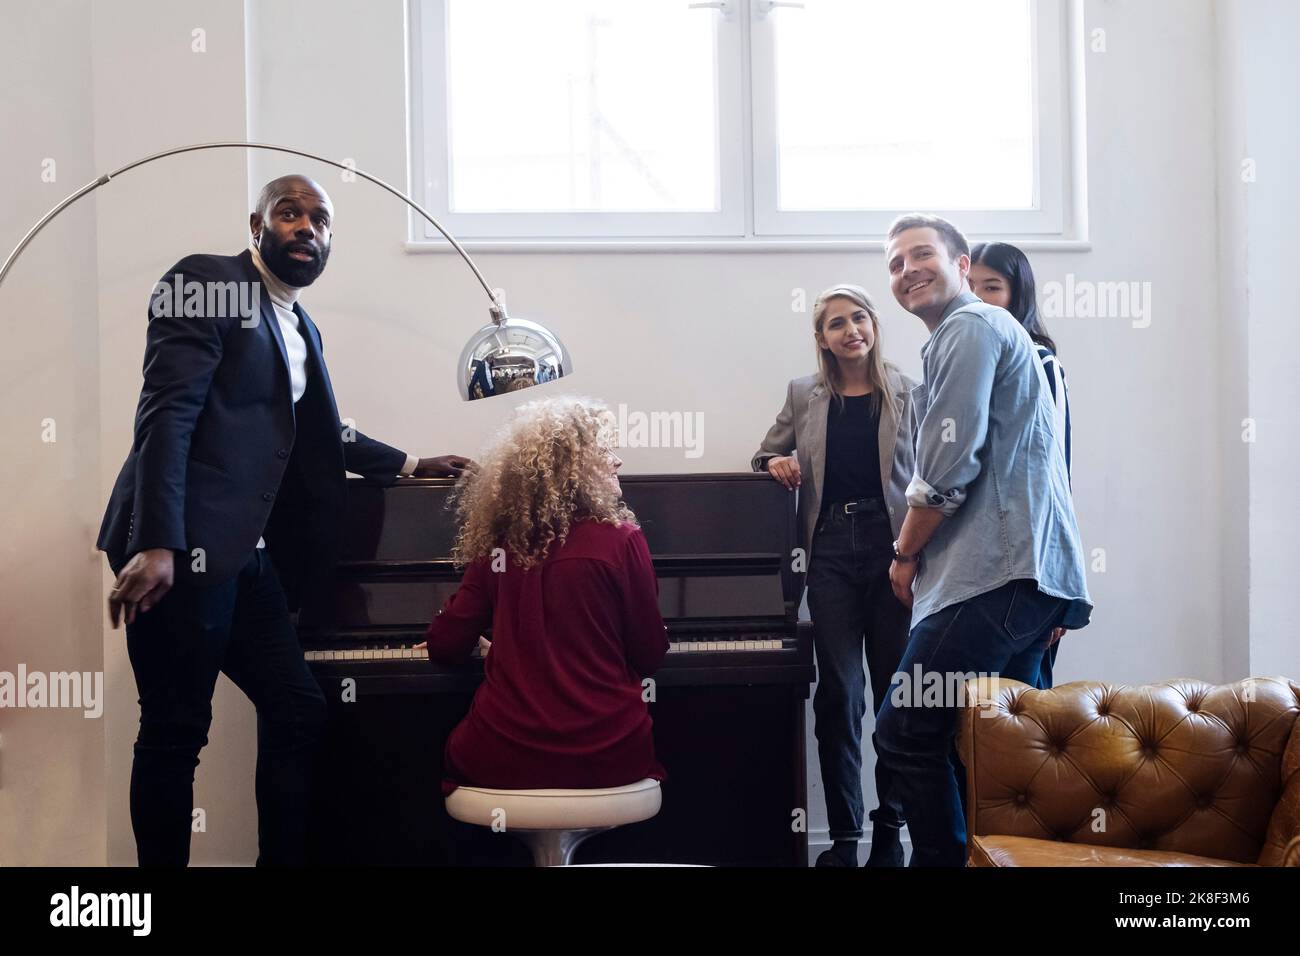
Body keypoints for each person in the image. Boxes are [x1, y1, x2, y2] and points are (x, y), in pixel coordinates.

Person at [97, 174, 471, 866]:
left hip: (247, 560)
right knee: (176, 733)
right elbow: (167, 412)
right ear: (256, 224)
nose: (307, 228)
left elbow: (317, 430)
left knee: (297, 707)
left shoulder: (298, 321)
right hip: (182, 551)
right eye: (290, 213)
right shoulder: (209, 281)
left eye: (320, 219)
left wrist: (412, 462)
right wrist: (156, 541)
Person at [874, 214, 1091, 866]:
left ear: (962, 264)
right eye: (893, 263)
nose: (906, 269)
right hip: (1030, 583)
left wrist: (905, 555)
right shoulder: (989, 331)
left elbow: (947, 465)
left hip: (991, 577)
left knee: (905, 730)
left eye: (921, 254)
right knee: (989, 750)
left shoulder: (967, 326)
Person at [422, 396, 669, 795]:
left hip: (502, 755)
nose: (617, 461)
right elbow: (650, 656)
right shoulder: (622, 541)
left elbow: (445, 646)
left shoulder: (498, 546)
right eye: (605, 450)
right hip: (608, 755)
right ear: (569, 467)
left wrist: (503, 645)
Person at [752, 285, 918, 867]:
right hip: (827, 554)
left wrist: (920, 554)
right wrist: (776, 461)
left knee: (895, 696)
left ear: (874, 324)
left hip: (894, 550)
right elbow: (764, 455)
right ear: (821, 338)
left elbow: (934, 477)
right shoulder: (805, 394)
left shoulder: (908, 391)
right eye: (836, 324)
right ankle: (845, 840)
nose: (851, 330)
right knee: (840, 694)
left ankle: (890, 830)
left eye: (859, 318)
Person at [969, 241, 1072, 688]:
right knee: (966, 722)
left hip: (1029, 573)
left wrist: (1058, 593)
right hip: (976, 568)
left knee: (1022, 720)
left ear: (1018, 295)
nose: (977, 298)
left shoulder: (1042, 365)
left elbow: (1056, 479)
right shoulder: (963, 365)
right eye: (969, 286)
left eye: (991, 287)